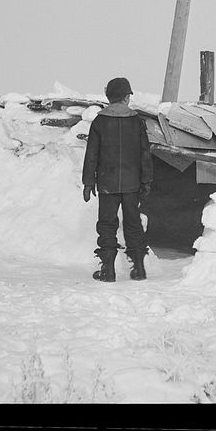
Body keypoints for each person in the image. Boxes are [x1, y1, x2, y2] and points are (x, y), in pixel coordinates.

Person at [82, 77, 153, 283]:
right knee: (133, 224)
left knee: (107, 224)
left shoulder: (100, 121)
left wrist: (88, 182)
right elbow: (144, 154)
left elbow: (91, 154)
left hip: (107, 183)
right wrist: (146, 181)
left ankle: (108, 271)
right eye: (129, 95)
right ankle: (139, 269)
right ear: (125, 97)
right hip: (132, 184)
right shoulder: (136, 121)